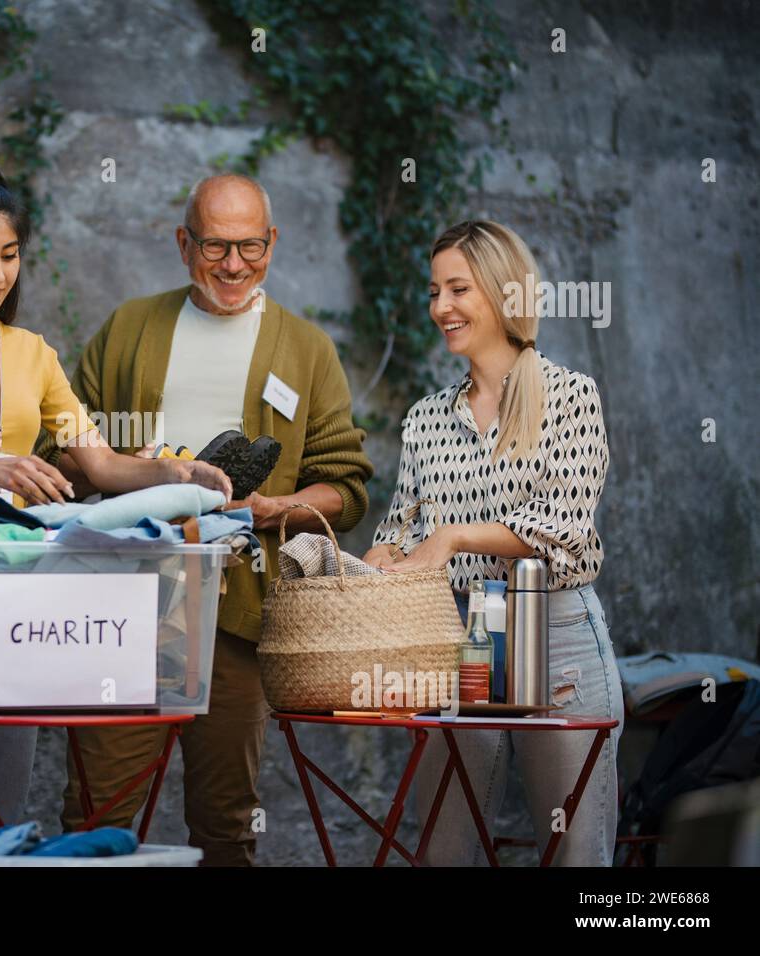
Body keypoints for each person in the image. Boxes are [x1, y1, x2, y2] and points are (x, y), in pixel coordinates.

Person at [0, 161, 230, 830]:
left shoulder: (33, 353)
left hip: (15, 588)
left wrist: (179, 477)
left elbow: (100, 464)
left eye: (9, 255)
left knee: (1, 786)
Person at [42, 173, 374, 865]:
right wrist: (127, 469)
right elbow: (61, 457)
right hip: (124, 603)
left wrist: (276, 507)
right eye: (215, 245)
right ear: (182, 242)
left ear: (273, 242)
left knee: (227, 823)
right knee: (96, 814)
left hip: (239, 610)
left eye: (250, 245)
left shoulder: (307, 350)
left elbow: (345, 485)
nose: (233, 264)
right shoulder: (130, 328)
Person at [364, 219, 622, 865]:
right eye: (434, 291)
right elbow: (401, 524)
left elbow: (562, 523)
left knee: (573, 853)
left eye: (459, 289)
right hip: (461, 637)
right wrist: (379, 558)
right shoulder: (427, 417)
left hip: (555, 633)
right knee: (446, 846)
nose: (441, 308)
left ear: (507, 294)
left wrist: (450, 537)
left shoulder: (570, 396)